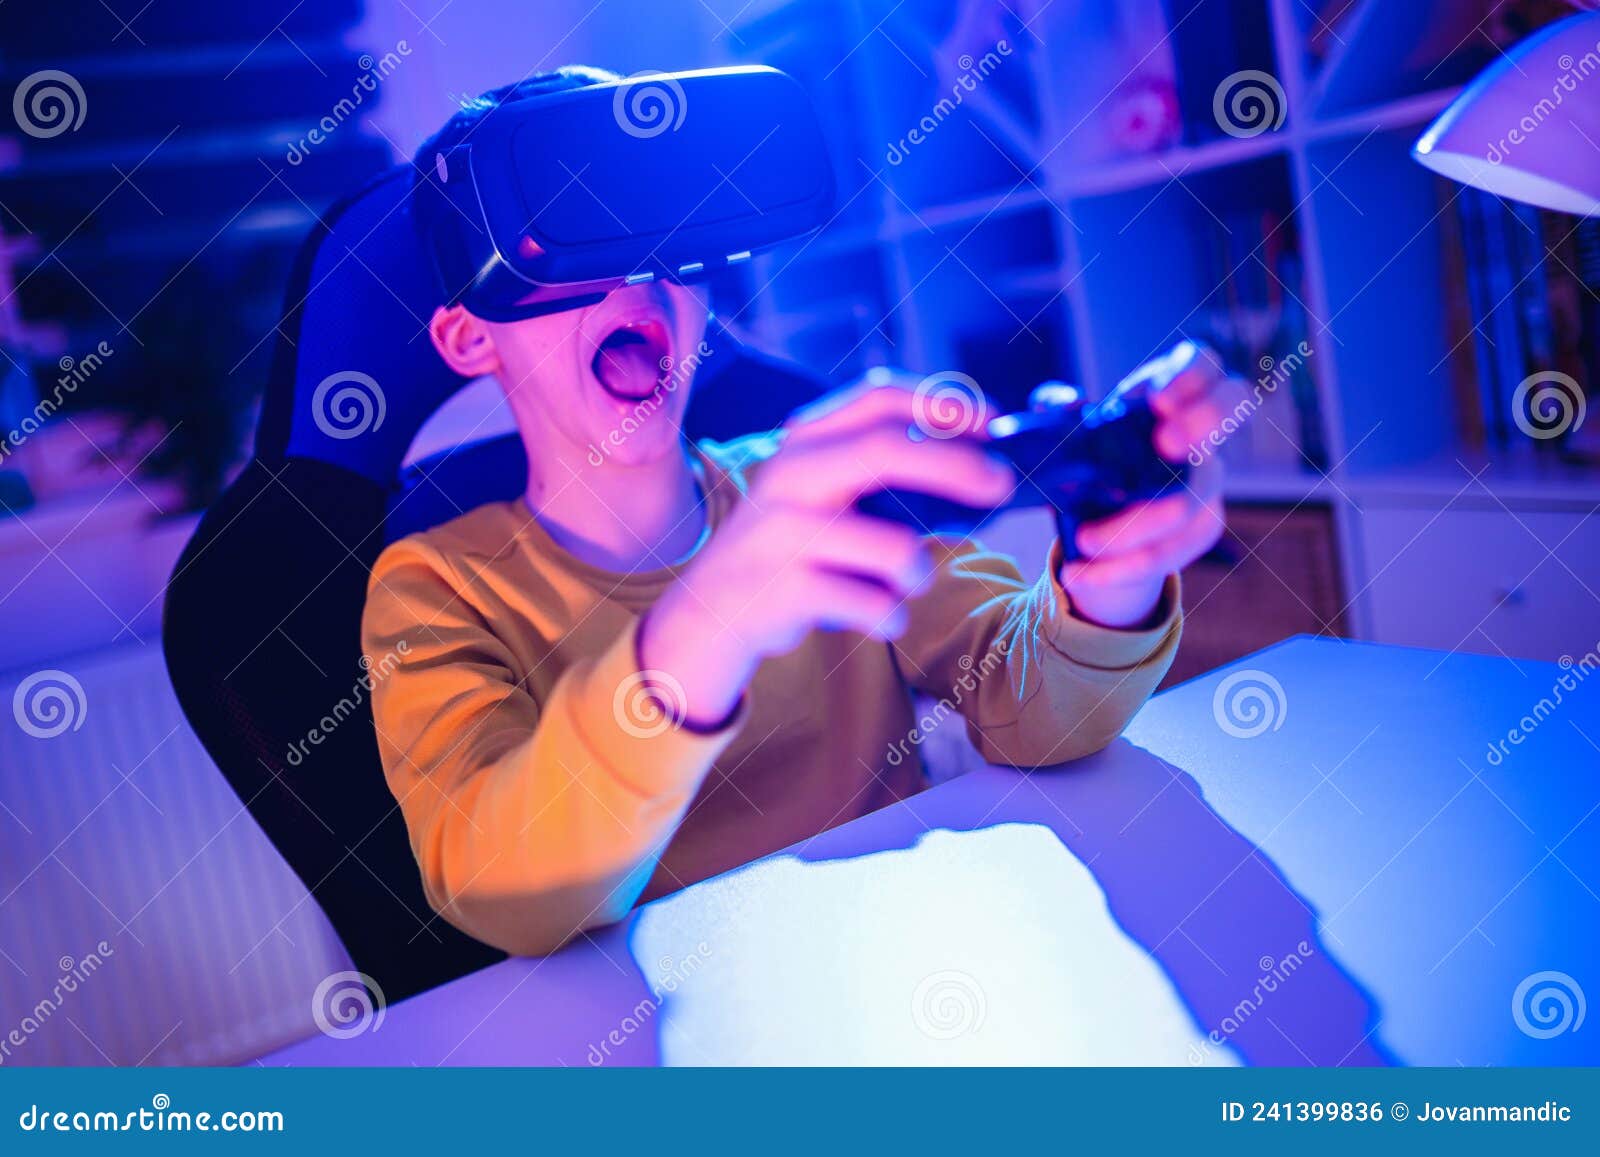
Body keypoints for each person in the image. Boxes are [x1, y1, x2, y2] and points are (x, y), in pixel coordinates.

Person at [362, 68, 1245, 956]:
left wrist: (1111, 586)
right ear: (470, 336)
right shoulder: (435, 589)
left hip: (911, 971)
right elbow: (500, 888)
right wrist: (704, 630)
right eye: (575, 252)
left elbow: (1032, 709)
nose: (636, 285)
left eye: (671, 251)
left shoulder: (816, 491)